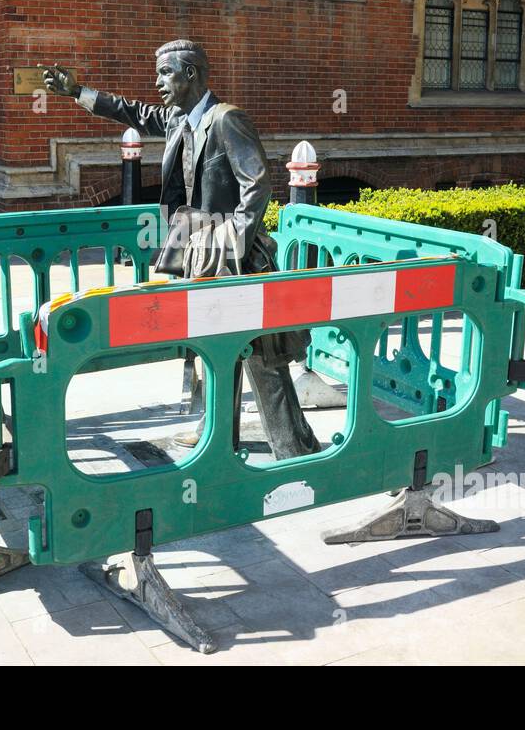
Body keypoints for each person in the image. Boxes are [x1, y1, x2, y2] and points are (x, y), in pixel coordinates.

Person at [40, 41, 320, 460]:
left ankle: (295, 450)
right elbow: (132, 112)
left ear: (190, 74)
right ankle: (218, 432)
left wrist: (231, 241)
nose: (158, 83)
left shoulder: (227, 120)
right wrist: (79, 92)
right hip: (201, 250)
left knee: (264, 355)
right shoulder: (178, 119)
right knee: (215, 347)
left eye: (165, 73)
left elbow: (257, 186)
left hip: (234, 258)